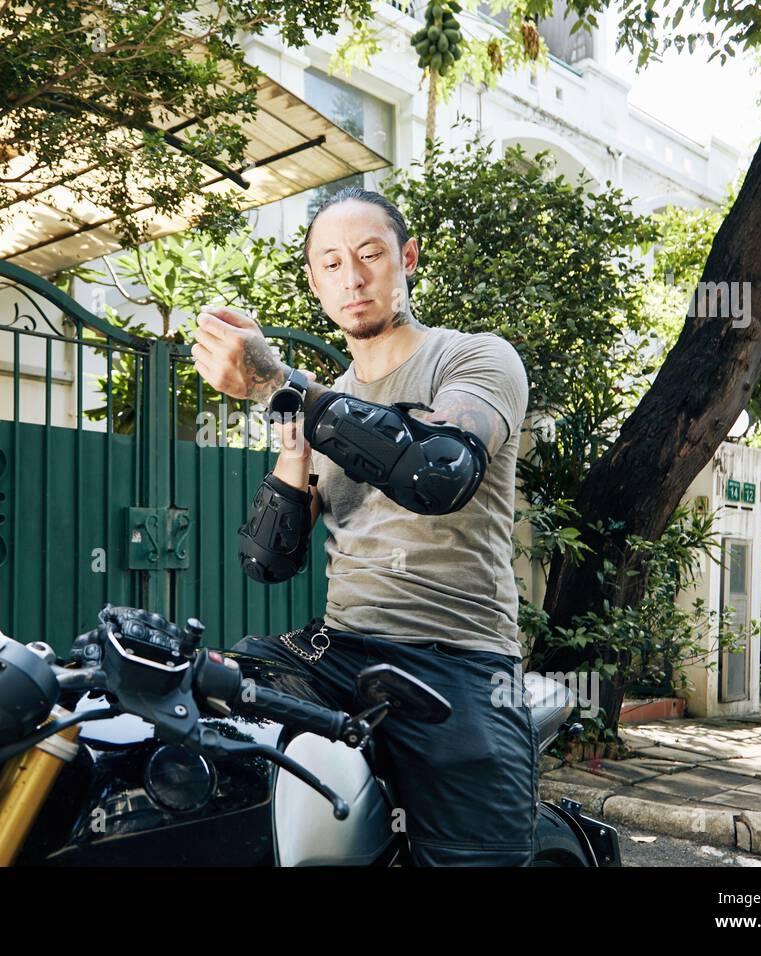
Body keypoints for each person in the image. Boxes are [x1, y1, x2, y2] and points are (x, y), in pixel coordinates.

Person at [191, 186, 536, 866]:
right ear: (314, 282)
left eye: (371, 254)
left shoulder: (474, 358)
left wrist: (274, 383)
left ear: (406, 258)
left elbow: (436, 471)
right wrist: (294, 453)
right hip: (336, 654)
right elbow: (267, 561)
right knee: (201, 723)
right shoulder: (326, 404)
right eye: (331, 262)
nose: (352, 276)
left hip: (458, 660)